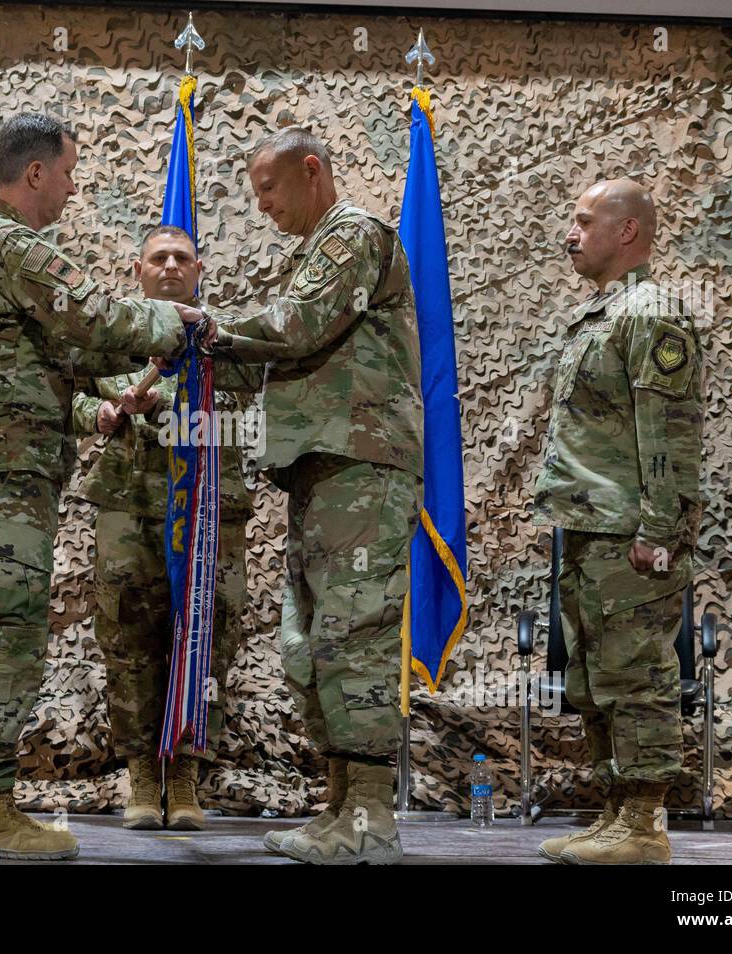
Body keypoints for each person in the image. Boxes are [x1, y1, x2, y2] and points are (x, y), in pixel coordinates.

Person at [0, 112, 205, 860]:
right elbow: (95, 317)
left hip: (8, 465)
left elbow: (66, 353)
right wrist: (172, 323)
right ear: (33, 175)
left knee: (8, 636)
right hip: (5, 468)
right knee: (7, 640)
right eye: (67, 171)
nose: (73, 185)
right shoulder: (12, 246)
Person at [203, 127, 424, 864]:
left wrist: (208, 327)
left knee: (353, 638)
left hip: (363, 468)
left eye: (268, 189)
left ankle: (370, 822)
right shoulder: (316, 249)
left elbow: (296, 327)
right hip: (325, 469)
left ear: (311, 170)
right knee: (318, 645)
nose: (261, 206)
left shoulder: (353, 234)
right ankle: (340, 810)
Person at [533, 178, 703, 865]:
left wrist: (658, 534)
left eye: (582, 221)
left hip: (631, 533)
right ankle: (613, 813)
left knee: (636, 678)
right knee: (595, 678)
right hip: (589, 528)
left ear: (627, 230)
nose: (569, 234)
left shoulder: (653, 314)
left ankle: (643, 823)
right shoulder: (603, 313)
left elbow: (668, 436)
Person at [71, 225, 255, 831]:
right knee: (128, 638)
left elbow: (240, 401)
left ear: (199, 269)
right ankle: (141, 778)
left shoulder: (219, 340)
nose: (171, 266)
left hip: (209, 514)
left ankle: (186, 778)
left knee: (208, 636)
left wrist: (171, 399)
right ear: (137, 269)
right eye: (159, 258)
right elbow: (67, 393)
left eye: (182, 258)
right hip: (129, 505)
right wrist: (94, 412)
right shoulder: (111, 332)